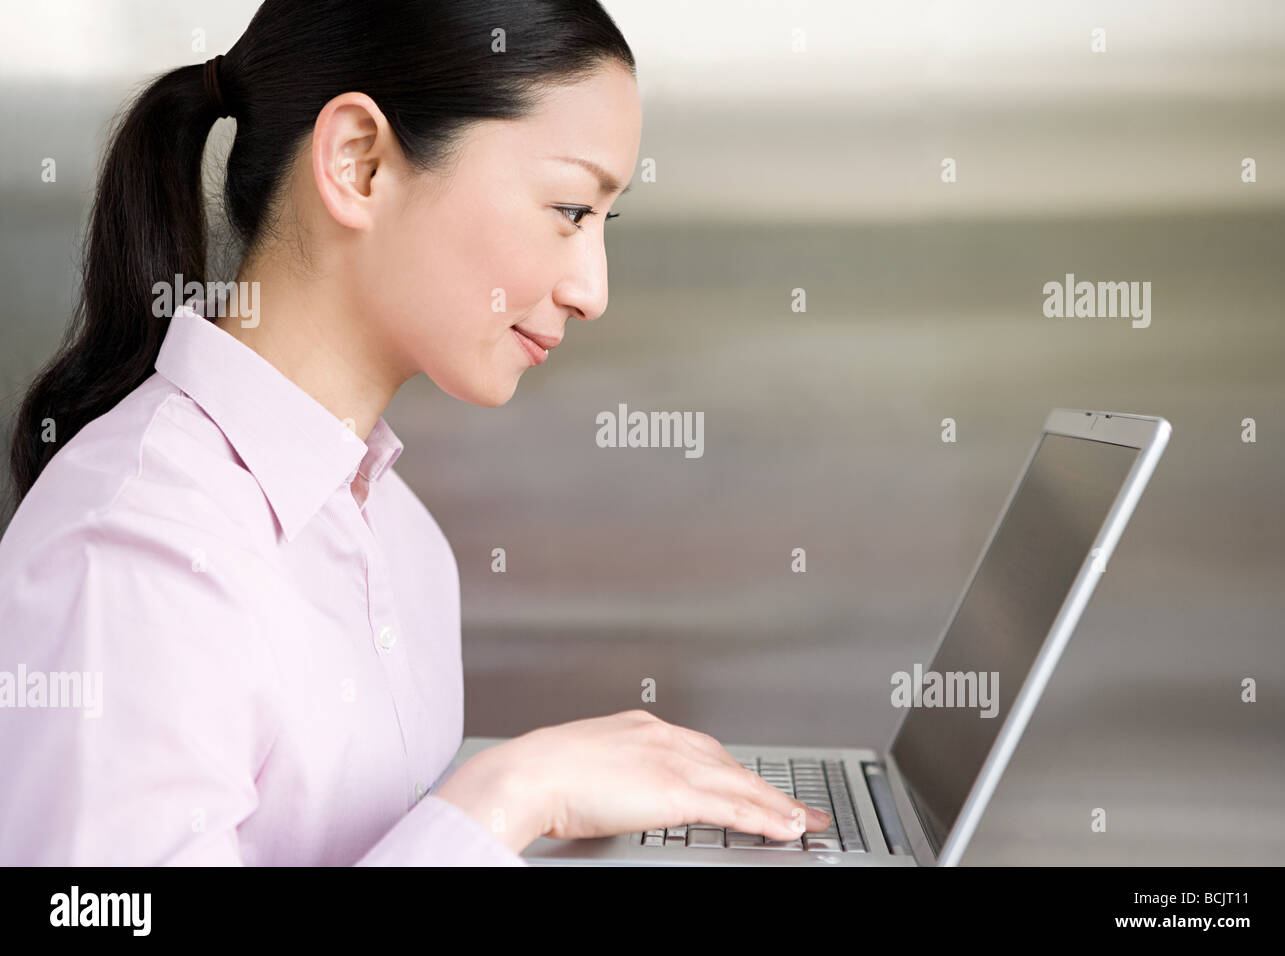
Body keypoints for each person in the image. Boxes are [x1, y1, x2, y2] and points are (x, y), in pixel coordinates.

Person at [0, 0, 828, 864]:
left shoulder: (403, 543)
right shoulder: (137, 555)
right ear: (358, 164)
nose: (593, 290)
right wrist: (511, 795)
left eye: (602, 222)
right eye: (571, 210)